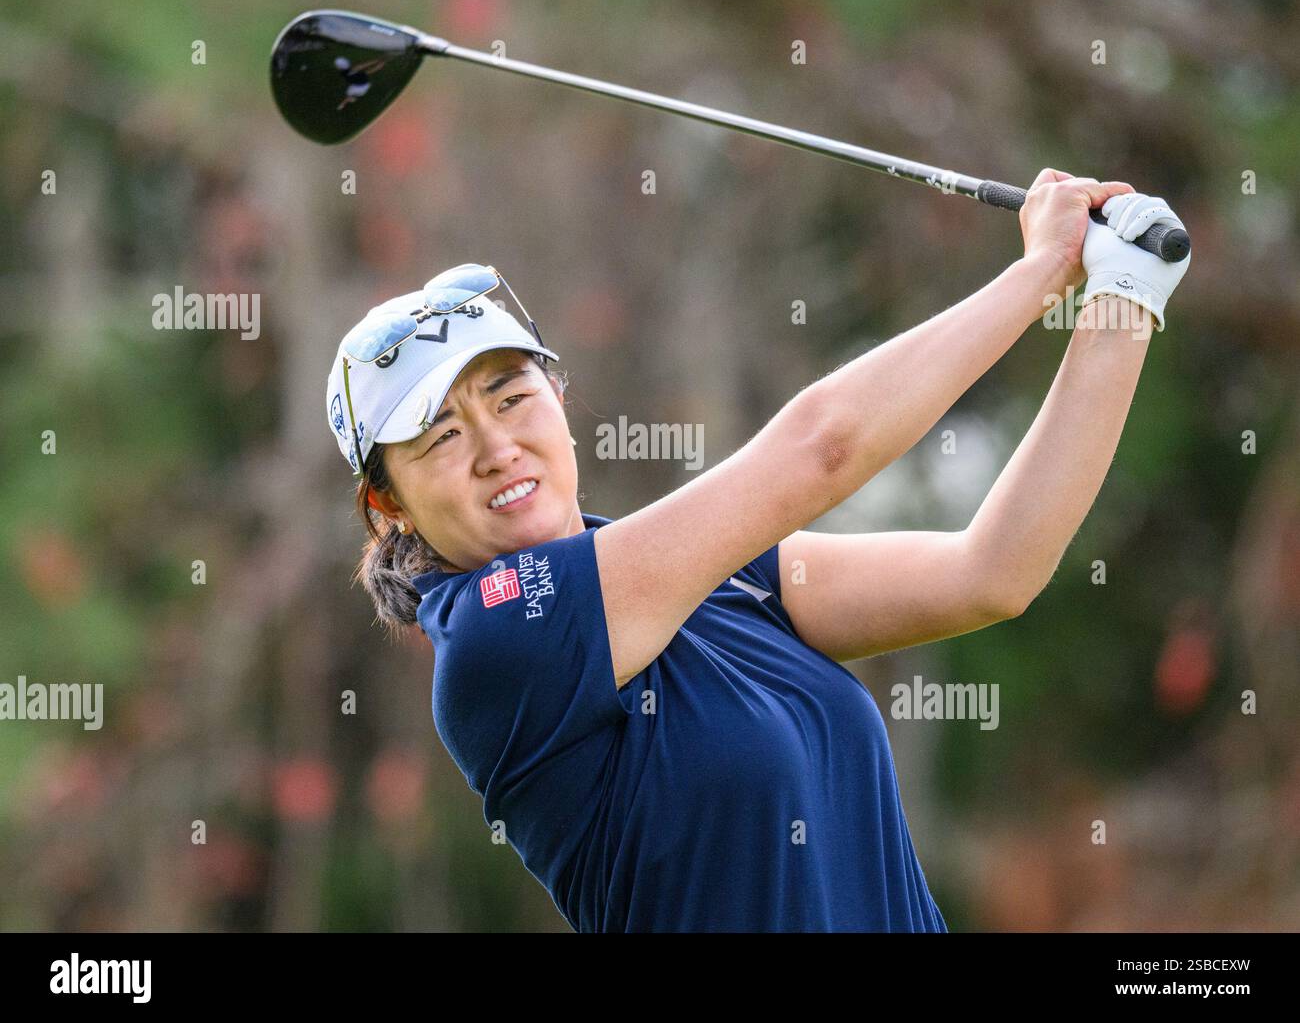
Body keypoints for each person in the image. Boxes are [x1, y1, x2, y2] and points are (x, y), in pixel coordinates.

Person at [324, 171, 1190, 932]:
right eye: (439, 436)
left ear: (557, 393)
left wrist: (1122, 300)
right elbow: (821, 450)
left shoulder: (717, 572)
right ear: (388, 503)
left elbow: (991, 573)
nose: (494, 445)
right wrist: (1042, 271)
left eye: (510, 396)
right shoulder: (496, 640)